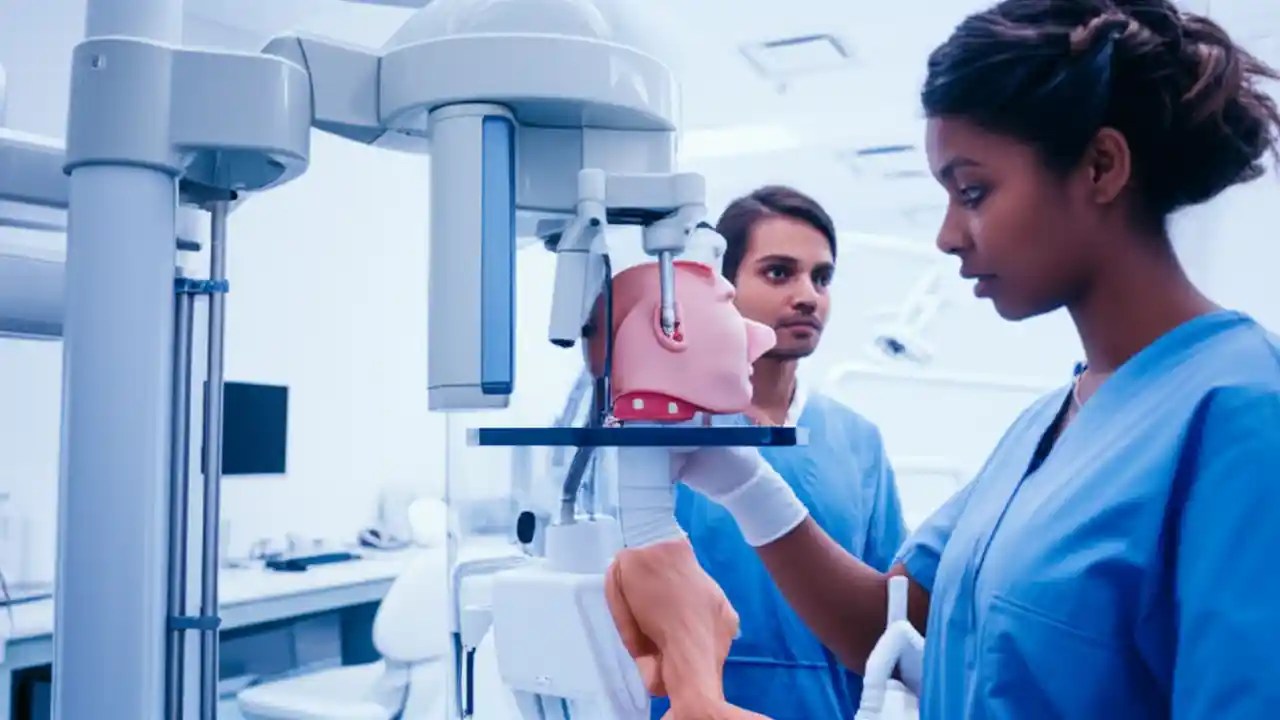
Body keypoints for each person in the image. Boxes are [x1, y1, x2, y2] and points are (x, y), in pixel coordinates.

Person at [670, 1, 1280, 718]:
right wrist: (747, 487)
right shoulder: (1049, 424)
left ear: (1101, 166)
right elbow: (890, 624)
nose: (947, 235)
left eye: (973, 192)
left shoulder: (1243, 418)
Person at [650, 186, 909, 720]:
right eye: (778, 272)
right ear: (723, 285)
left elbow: (889, 620)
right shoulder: (666, 429)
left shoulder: (857, 441)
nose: (807, 295)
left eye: (821, 277)